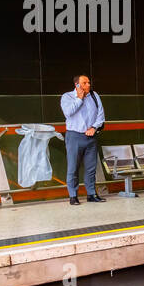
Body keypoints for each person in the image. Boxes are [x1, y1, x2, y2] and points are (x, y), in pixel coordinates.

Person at [61, 74, 106, 204]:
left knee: (91, 168)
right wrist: (79, 99)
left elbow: (101, 115)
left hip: (91, 136)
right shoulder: (67, 97)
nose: (88, 85)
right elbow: (68, 113)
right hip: (74, 136)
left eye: (88, 82)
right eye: (85, 83)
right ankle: (73, 196)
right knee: (73, 167)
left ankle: (91, 194)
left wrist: (94, 127)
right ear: (77, 85)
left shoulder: (94, 95)